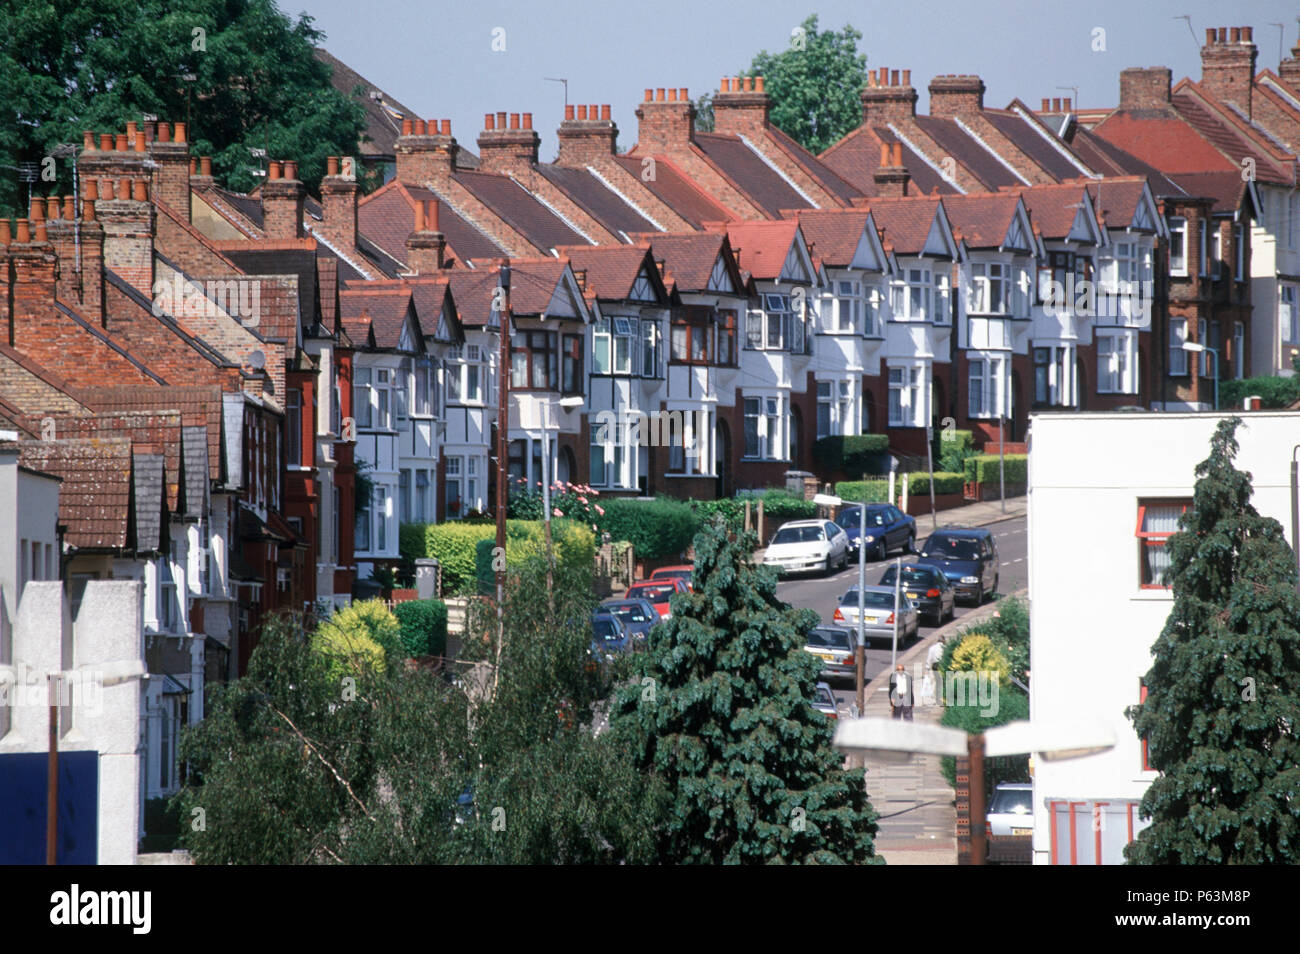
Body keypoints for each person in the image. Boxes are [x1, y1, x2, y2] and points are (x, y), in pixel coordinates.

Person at [926, 635, 947, 707]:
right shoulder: (945, 648)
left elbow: (929, 659)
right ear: (944, 641)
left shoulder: (932, 648)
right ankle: (940, 699)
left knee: (934, 683)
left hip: (934, 667)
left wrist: (928, 667)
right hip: (942, 667)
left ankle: (936, 698)